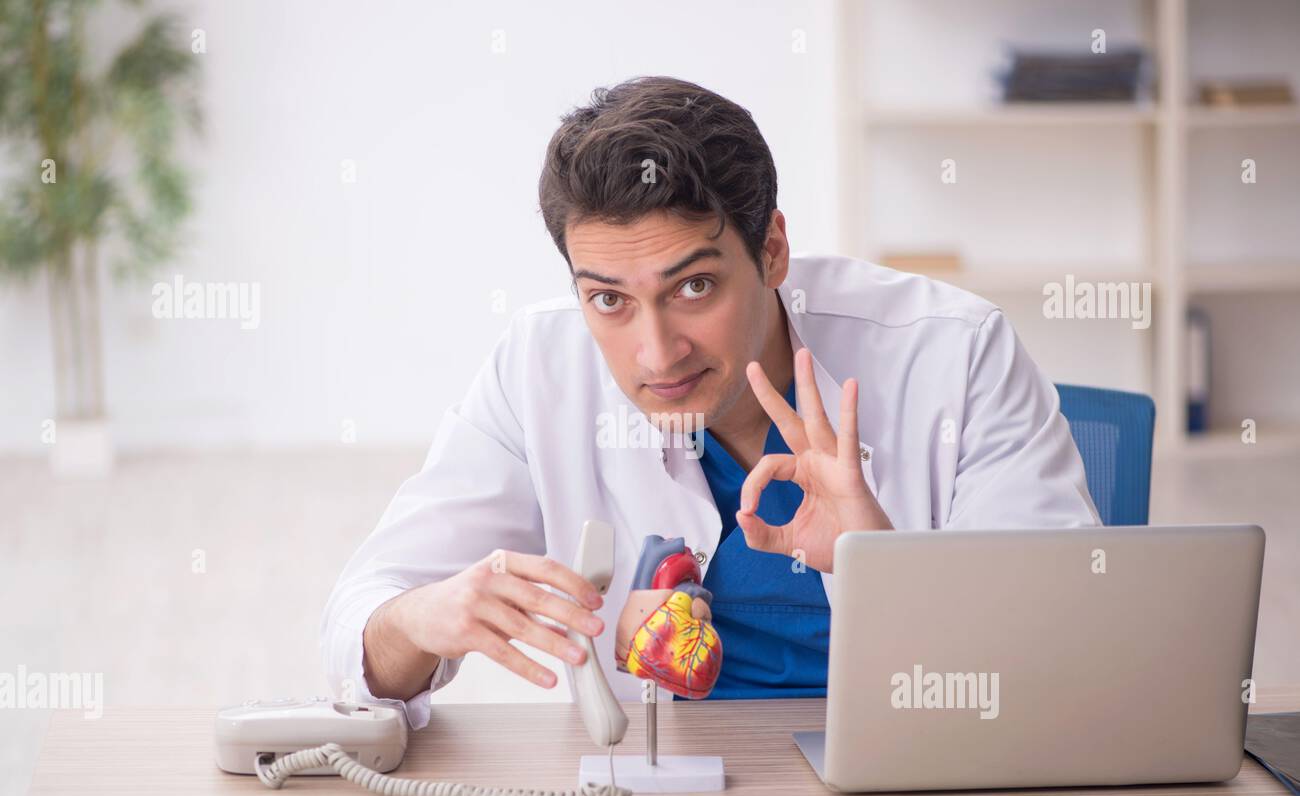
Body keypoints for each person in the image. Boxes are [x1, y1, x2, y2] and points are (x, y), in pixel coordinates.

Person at [321, 75, 1100, 729]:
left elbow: (1070, 659)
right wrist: (425, 618)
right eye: (608, 300)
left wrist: (885, 565)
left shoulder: (956, 353)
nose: (657, 353)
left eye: (693, 287)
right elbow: (359, 634)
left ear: (771, 249)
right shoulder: (540, 369)